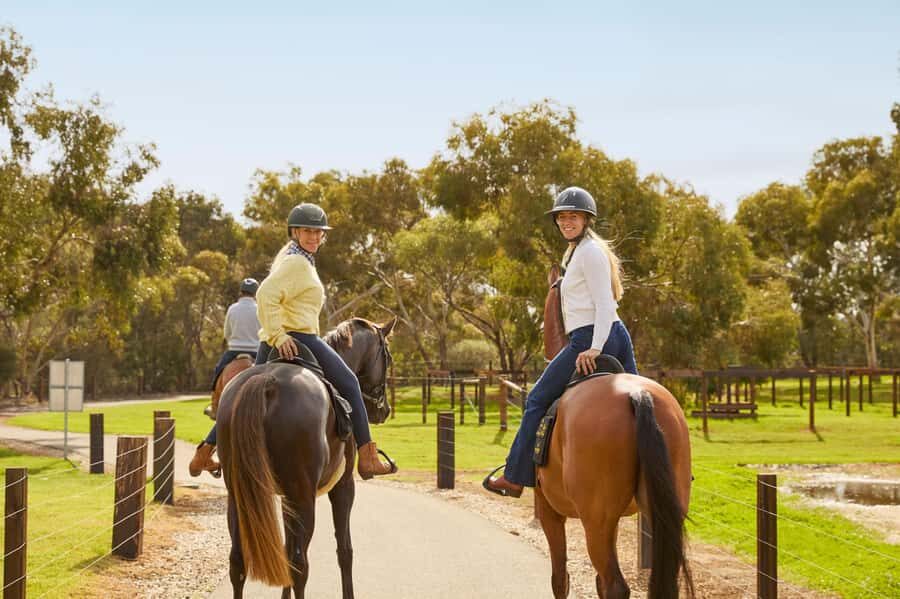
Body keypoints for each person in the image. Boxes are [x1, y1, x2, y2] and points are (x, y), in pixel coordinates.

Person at [192, 203, 396, 480]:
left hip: (271, 342)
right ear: (295, 232)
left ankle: (205, 451)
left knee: (241, 396)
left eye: (318, 232)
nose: (314, 237)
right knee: (349, 382)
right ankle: (368, 457)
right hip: (300, 337)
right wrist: (280, 334)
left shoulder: (292, 257)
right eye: (307, 231)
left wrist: (275, 335)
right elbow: (265, 295)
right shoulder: (297, 263)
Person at [483, 186, 638, 498]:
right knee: (641, 406)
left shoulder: (590, 253)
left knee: (537, 399)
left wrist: (594, 347)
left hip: (593, 337)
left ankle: (515, 476)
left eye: (574, 217)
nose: (567, 222)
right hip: (613, 334)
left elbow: (605, 304)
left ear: (586, 220)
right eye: (562, 217)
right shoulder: (578, 251)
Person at [189, 278, 260, 476]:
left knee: (218, 372)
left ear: (241, 291)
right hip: (257, 352)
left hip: (234, 350)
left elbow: (227, 333)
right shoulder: (259, 308)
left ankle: (214, 404)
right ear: (255, 293)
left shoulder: (232, 308)